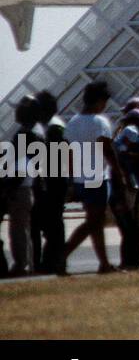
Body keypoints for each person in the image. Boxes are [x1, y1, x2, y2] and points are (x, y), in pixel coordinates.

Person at [63, 81, 121, 273]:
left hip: (80, 178)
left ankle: (104, 263)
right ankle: (62, 254)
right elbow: (107, 149)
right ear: (99, 101)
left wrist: (71, 179)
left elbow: (68, 153)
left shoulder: (73, 122)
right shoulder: (100, 122)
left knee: (95, 221)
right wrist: (119, 173)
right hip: (97, 177)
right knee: (95, 221)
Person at [1, 97, 43, 276]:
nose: (16, 111)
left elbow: (21, 166)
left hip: (20, 187)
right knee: (23, 228)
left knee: (18, 229)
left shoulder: (25, 134)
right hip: (26, 186)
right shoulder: (34, 132)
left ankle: (22, 265)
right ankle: (27, 264)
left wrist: (8, 189)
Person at [110, 104, 139, 269]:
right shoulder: (131, 132)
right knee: (131, 227)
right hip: (131, 184)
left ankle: (134, 261)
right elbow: (118, 150)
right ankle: (128, 262)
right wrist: (129, 162)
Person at [30, 90, 67, 275]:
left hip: (53, 183)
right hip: (50, 182)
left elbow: (55, 159)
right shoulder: (48, 126)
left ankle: (53, 262)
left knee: (51, 225)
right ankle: (48, 262)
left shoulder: (54, 128)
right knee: (47, 225)